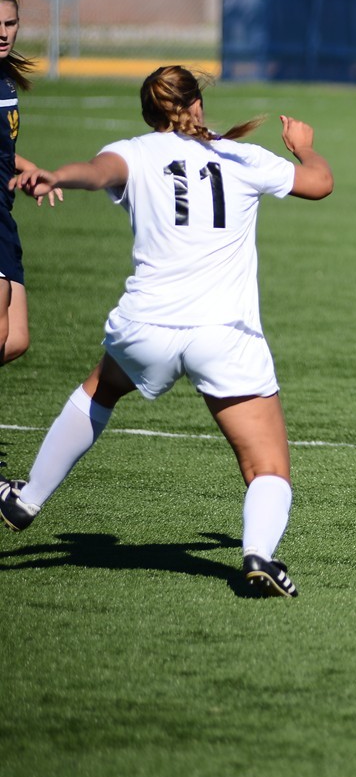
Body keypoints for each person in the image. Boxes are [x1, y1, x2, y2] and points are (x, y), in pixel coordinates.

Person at [0, 66, 334, 598]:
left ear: (149, 113)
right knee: (266, 463)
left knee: (102, 389)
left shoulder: (134, 151)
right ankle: (259, 557)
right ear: (197, 102)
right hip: (224, 333)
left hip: (147, 326)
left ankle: (27, 498)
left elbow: (94, 170)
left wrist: (56, 177)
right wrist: (303, 148)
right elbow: (320, 184)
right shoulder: (240, 156)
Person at [1, 0, 62, 369]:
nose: (2, 32)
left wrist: (29, 170)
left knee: (17, 339)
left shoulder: (5, 80)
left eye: (10, 23)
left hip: (2, 215)